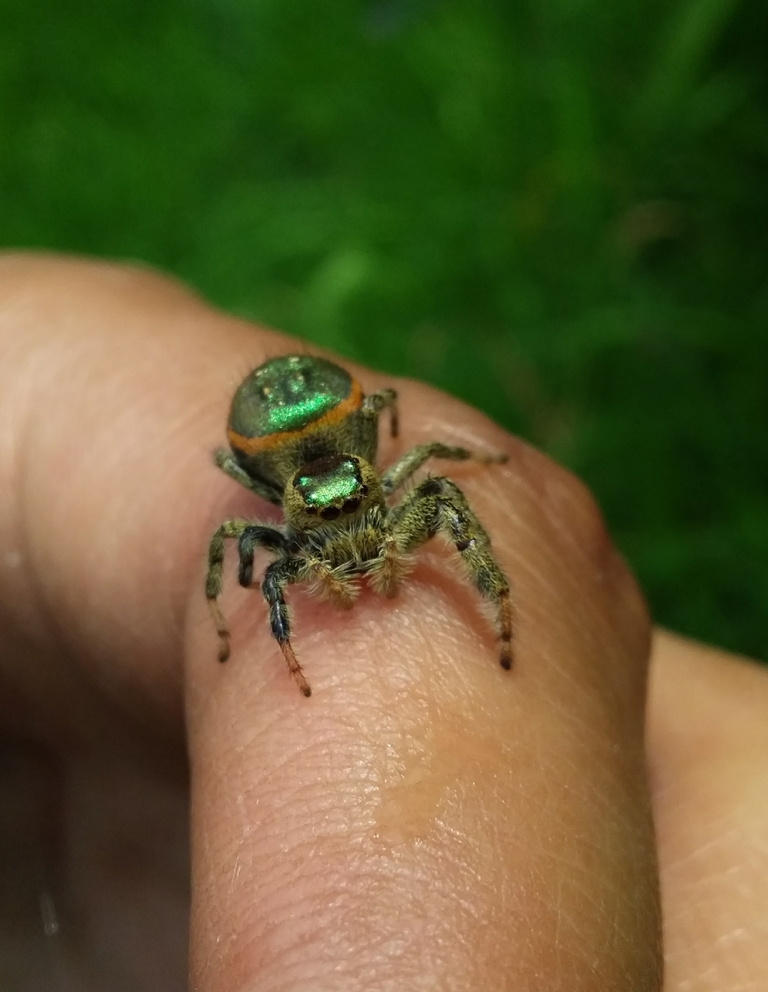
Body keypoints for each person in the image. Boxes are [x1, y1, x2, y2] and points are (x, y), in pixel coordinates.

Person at [0, 253, 764, 990]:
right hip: (287, 421)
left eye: (359, 507)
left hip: (324, 408)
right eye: (326, 518)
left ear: (373, 480)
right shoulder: (275, 530)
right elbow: (239, 552)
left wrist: (497, 606)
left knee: (456, 498)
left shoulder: (403, 490)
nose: (348, 532)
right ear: (292, 508)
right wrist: (255, 637)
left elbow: (433, 462)